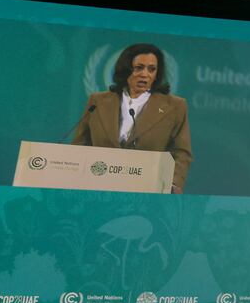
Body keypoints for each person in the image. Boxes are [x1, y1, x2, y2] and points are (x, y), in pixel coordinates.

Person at [73, 43, 193, 193]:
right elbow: (80, 144)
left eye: (152, 69)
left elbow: (181, 152)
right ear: (125, 69)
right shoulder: (97, 101)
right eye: (139, 68)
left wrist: (173, 184)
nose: (145, 74)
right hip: (98, 186)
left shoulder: (175, 106)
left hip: (147, 190)